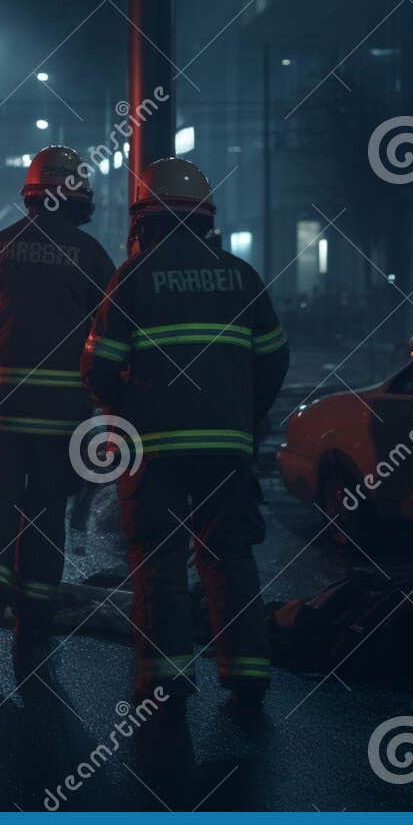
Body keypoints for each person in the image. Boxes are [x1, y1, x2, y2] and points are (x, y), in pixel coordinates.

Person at [81, 157, 288, 714]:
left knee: (159, 559)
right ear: (204, 219)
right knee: (230, 555)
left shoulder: (134, 277)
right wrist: (245, 418)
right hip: (226, 448)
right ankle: (247, 674)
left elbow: (99, 368)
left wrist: (126, 410)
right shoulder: (240, 275)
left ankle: (166, 680)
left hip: (156, 450)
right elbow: (273, 359)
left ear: (144, 220)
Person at [0, 146, 115, 676]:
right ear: (79, 199)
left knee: (0, 499)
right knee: (46, 512)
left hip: (3, 406)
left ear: (30, 194)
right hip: (61, 410)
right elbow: (110, 328)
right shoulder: (92, 255)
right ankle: (34, 628)